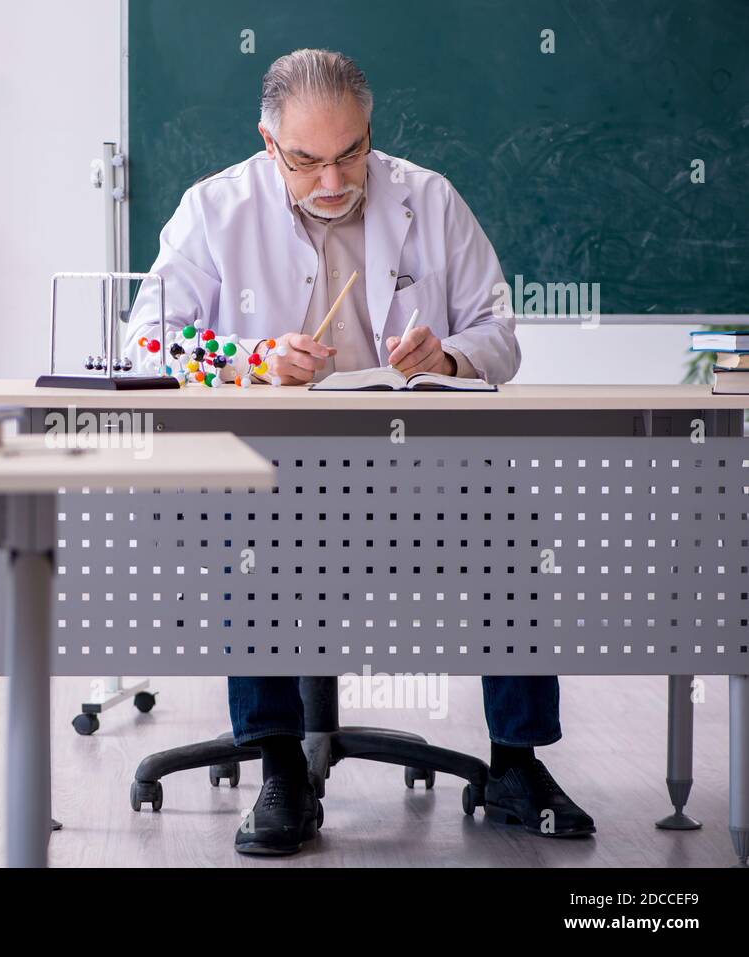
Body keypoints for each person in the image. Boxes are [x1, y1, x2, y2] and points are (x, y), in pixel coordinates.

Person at [126, 48, 595, 856]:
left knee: (511, 519)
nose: (334, 179)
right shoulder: (214, 210)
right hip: (271, 476)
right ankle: (280, 765)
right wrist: (249, 358)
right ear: (269, 143)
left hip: (414, 471)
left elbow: (500, 335)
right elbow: (144, 344)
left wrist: (446, 358)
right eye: (308, 160)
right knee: (252, 527)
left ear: (370, 133)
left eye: (351, 154)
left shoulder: (431, 199)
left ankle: (516, 764)